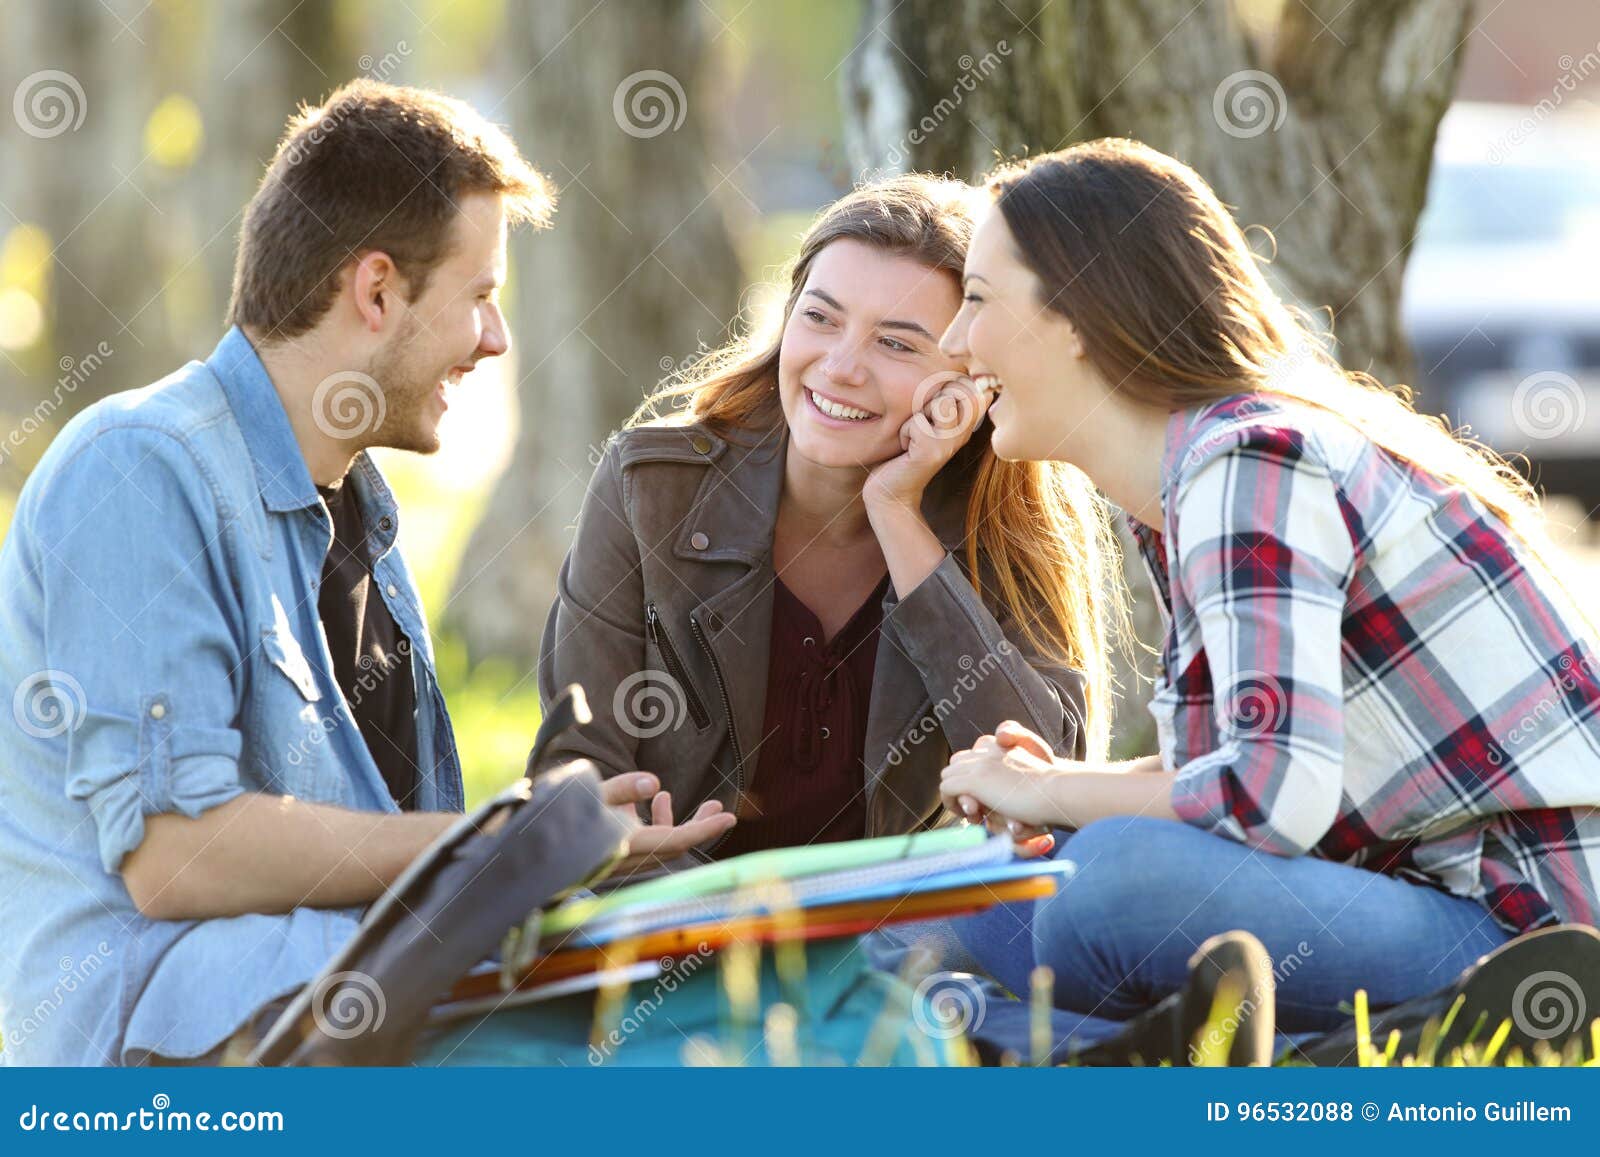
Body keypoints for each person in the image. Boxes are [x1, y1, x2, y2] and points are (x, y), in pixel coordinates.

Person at [0, 79, 717, 1067]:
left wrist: (561, 850)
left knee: (739, 1007)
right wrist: (495, 845)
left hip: (359, 1002)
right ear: (376, 291)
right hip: (172, 1058)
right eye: (482, 298)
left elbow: (384, 860)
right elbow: (177, 850)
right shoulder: (139, 465)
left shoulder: (358, 517)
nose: (495, 340)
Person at [921, 137, 1600, 1064]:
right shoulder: (1187, 489)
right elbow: (1238, 772)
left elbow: (1268, 797)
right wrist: (1068, 797)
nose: (955, 342)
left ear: (1074, 314)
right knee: (957, 896)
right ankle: (1171, 1058)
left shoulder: (1248, 460)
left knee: (1112, 887)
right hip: (1398, 902)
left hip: (1529, 938)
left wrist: (1052, 789)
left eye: (978, 300)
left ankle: (1202, 1053)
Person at [539, 174, 1126, 863]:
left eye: (898, 344)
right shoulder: (651, 489)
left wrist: (897, 514)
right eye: (820, 318)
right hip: (674, 928)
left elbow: (1050, 788)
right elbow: (574, 778)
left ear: (972, 380)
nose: (841, 367)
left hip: (899, 936)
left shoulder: (1003, 525)